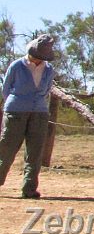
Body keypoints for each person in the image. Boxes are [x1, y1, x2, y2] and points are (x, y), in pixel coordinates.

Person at [0, 34, 57, 199]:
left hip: (39, 112)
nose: (39, 60)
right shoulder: (17, 66)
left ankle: (29, 188)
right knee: (7, 148)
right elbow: (6, 88)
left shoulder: (48, 69)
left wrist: (36, 103)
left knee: (35, 151)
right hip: (16, 112)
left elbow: (47, 90)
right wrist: (17, 101)